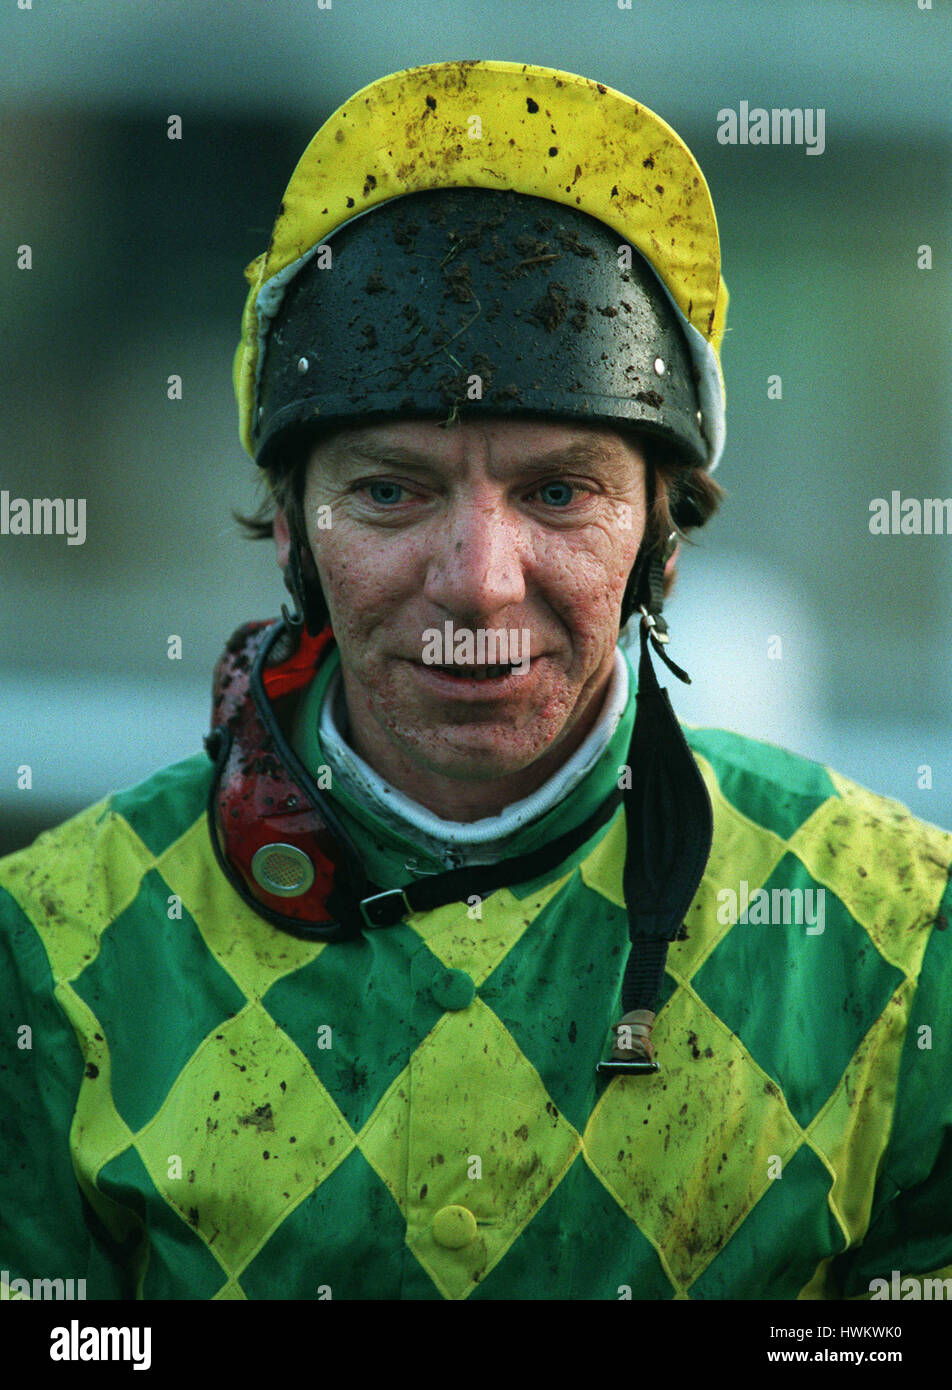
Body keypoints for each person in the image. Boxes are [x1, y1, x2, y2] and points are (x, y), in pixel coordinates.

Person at [2, 59, 950, 1304]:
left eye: (559, 492)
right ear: (289, 530)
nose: (478, 580)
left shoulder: (899, 931)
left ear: (660, 535)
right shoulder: (55, 942)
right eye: (390, 490)